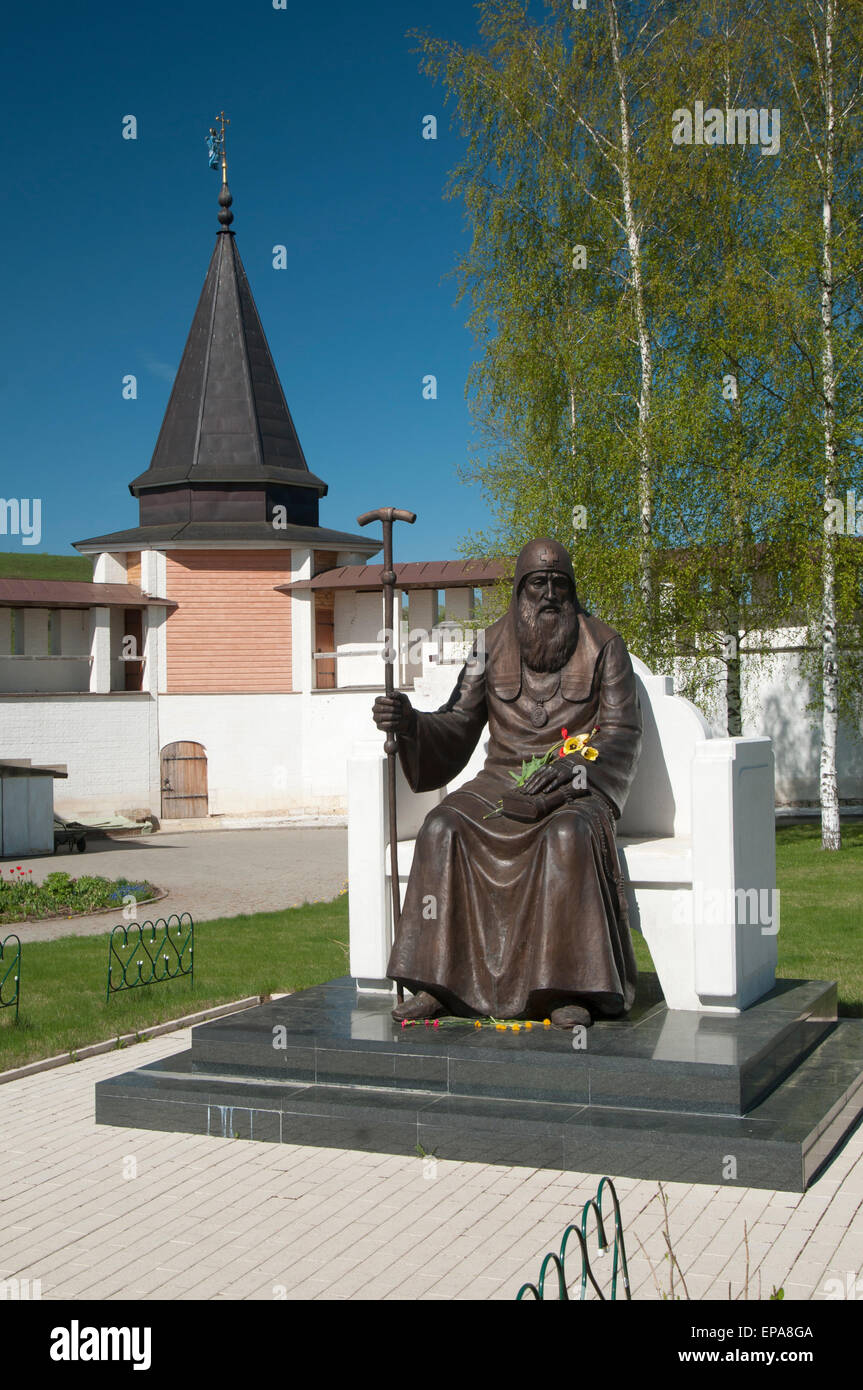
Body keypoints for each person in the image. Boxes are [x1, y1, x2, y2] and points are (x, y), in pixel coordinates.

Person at [372, 538, 642, 1031]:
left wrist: (575, 766)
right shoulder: (487, 645)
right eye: (537, 583)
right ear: (519, 591)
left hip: (571, 790)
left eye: (559, 583)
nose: (549, 594)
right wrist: (411, 724)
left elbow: (622, 731)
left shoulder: (604, 645)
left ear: (573, 590)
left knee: (567, 837)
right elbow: (457, 722)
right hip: (499, 783)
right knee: (442, 827)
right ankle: (436, 983)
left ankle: (567, 986)